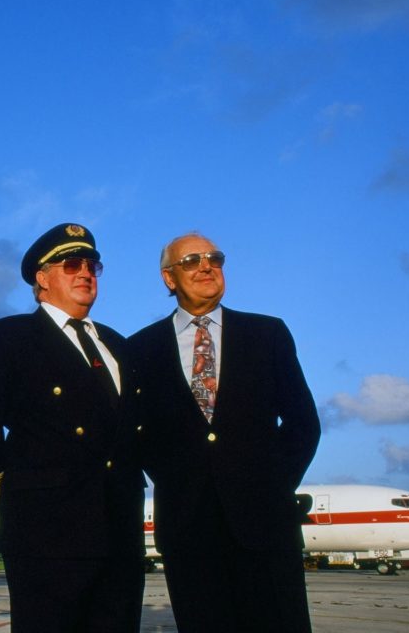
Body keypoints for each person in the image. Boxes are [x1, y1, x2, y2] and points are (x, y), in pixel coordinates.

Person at [0, 223, 144, 633]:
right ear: (42, 278)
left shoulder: (119, 345)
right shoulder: (6, 338)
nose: (85, 272)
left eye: (93, 265)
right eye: (72, 263)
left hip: (120, 532)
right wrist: (10, 498)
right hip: (46, 533)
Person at [128, 232, 320, 632]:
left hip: (266, 528)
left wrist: (271, 486)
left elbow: (303, 423)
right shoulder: (139, 350)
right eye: (191, 260)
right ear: (169, 278)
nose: (206, 266)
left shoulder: (267, 334)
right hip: (188, 532)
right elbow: (135, 433)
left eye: (214, 258)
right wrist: (176, 478)